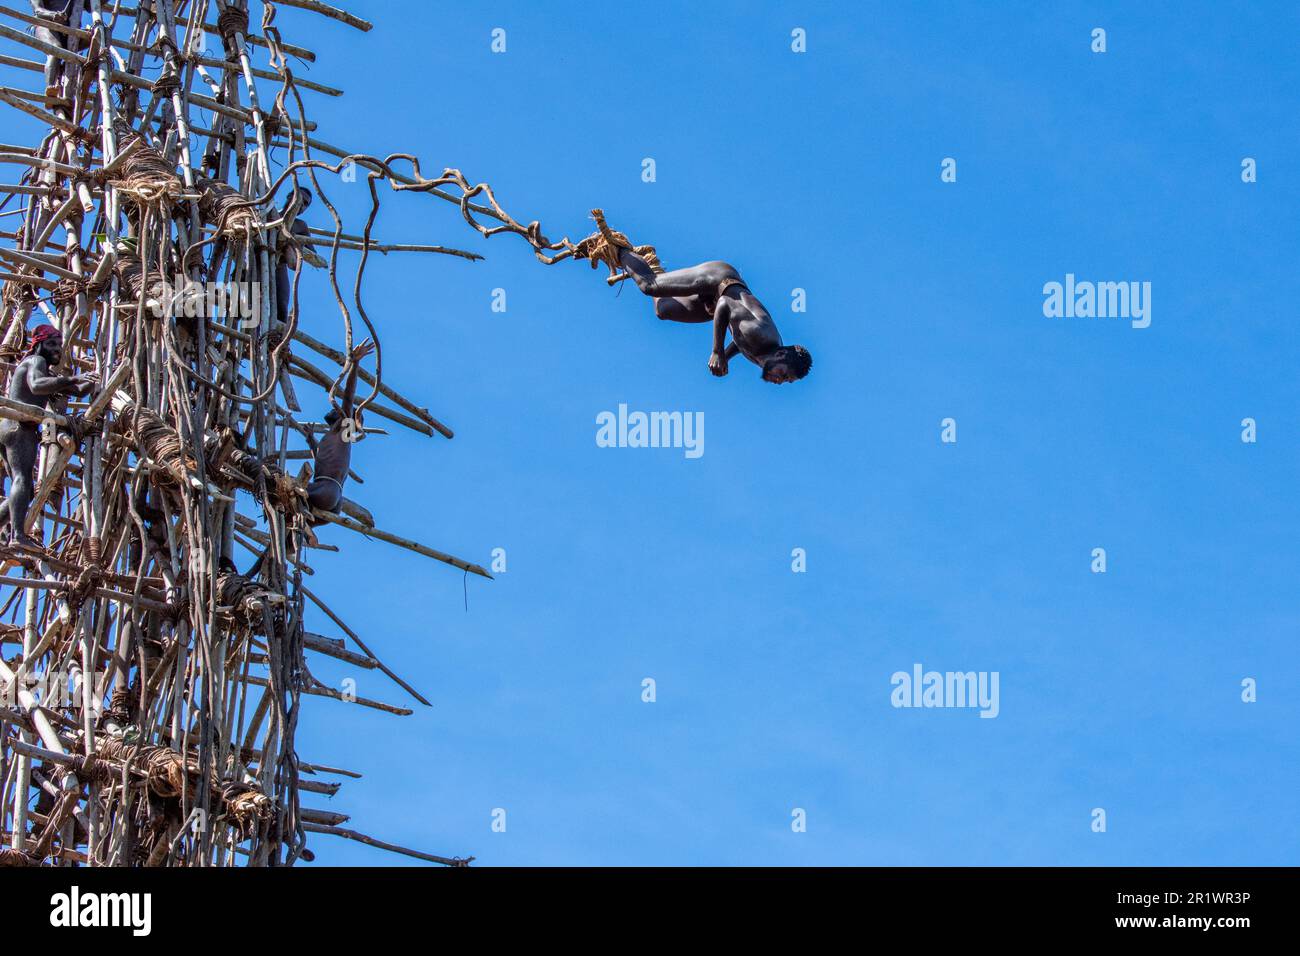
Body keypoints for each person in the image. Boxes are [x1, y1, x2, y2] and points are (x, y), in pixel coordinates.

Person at [615, 246, 812, 384]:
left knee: (663, 309)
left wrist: (726, 356)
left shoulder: (763, 356)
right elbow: (726, 304)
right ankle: (616, 248)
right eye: (784, 375)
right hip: (718, 279)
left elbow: (740, 339)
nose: (780, 382)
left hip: (717, 300)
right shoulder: (761, 335)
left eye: (786, 382)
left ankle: (649, 261)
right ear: (781, 354)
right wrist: (717, 351)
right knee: (649, 286)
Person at [0, 325, 93, 547]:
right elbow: (37, 385)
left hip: (11, 428)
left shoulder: (44, 371)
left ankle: (9, 532)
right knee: (22, 480)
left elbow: (78, 391)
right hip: (19, 427)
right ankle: (18, 537)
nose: (57, 351)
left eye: (60, 346)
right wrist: (72, 378)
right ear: (39, 345)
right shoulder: (35, 362)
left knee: (25, 490)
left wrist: (93, 379)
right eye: (52, 344)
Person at [305, 339, 373, 514]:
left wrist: (355, 363)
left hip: (326, 490)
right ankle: (307, 534)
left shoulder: (344, 429)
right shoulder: (336, 437)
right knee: (298, 516)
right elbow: (321, 460)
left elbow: (349, 397)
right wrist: (311, 440)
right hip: (333, 499)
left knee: (281, 488)